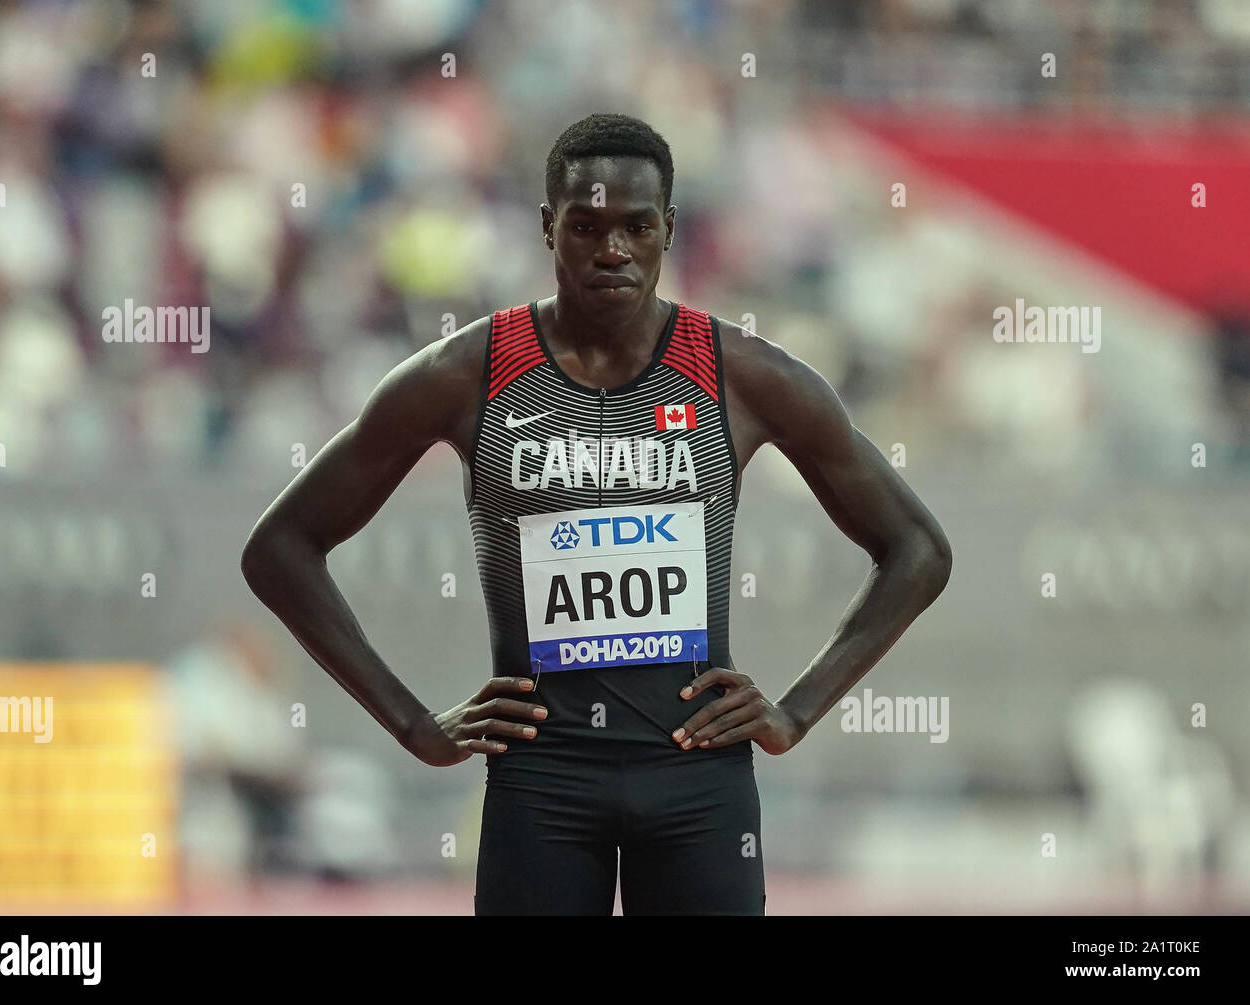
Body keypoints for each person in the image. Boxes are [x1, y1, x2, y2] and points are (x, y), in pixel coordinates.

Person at [241, 113, 952, 915]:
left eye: (636, 227)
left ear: (669, 230)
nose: (611, 249)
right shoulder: (467, 374)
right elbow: (281, 548)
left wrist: (797, 709)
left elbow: (918, 548)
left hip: (697, 778)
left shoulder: (741, 376)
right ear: (549, 227)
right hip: (542, 783)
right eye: (586, 226)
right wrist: (411, 724)